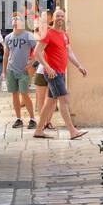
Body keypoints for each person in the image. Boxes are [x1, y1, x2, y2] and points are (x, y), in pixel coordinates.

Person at [32, 7, 88, 140]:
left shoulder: (64, 35)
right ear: (53, 18)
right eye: (58, 16)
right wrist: (47, 67)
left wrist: (79, 65)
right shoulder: (48, 34)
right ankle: (72, 131)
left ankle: (39, 130)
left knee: (50, 102)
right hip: (53, 73)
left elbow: (69, 53)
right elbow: (36, 53)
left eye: (62, 16)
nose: (60, 18)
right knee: (64, 99)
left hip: (61, 72)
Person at [3, 13, 36, 128]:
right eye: (13, 19)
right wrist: (3, 71)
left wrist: (31, 63)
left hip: (23, 71)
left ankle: (32, 119)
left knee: (24, 94)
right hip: (10, 70)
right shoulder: (8, 38)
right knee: (14, 94)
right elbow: (5, 55)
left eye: (18, 19)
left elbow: (37, 51)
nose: (15, 21)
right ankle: (18, 119)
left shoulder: (28, 35)